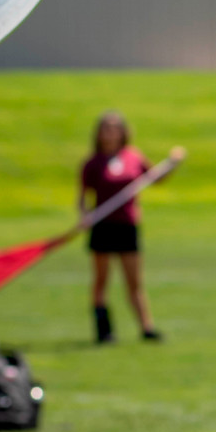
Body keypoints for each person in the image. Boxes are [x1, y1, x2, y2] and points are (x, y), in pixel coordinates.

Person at [78, 111, 167, 343]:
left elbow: (155, 178)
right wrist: (84, 216)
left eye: (115, 128)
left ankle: (147, 328)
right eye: (106, 128)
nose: (110, 132)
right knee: (101, 280)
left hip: (127, 225)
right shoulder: (92, 163)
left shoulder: (133, 157)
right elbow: (82, 197)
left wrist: (173, 162)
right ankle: (104, 331)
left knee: (134, 281)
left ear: (123, 132)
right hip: (102, 226)